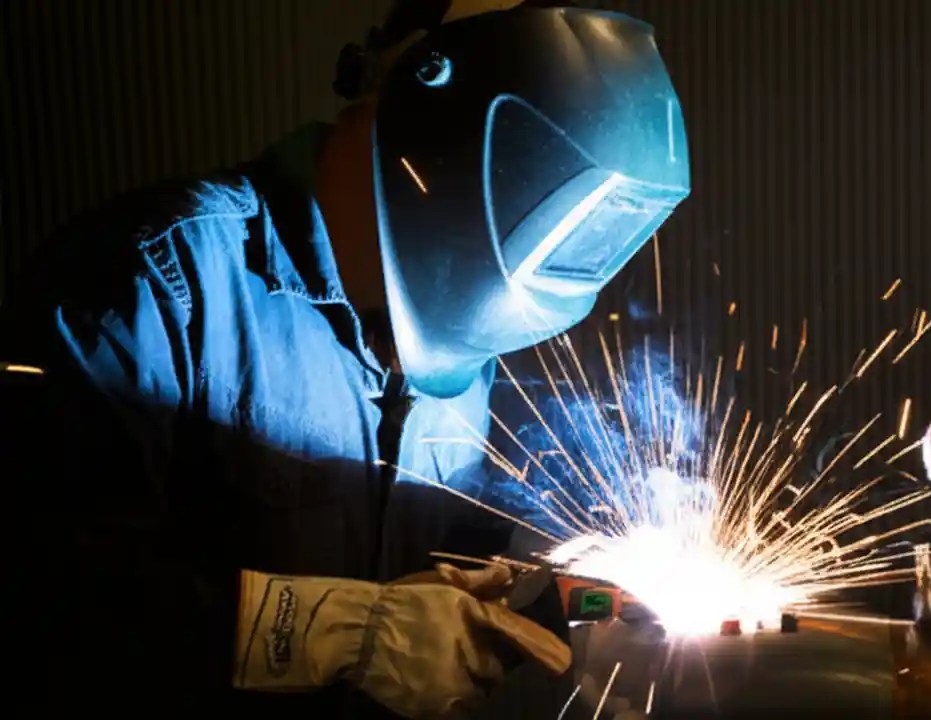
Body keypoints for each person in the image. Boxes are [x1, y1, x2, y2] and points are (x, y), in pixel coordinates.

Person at [0, 0, 689, 716]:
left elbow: (444, 571)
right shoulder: (152, 281)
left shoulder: (458, 343)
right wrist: (337, 634)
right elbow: (42, 597)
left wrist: (565, 597)